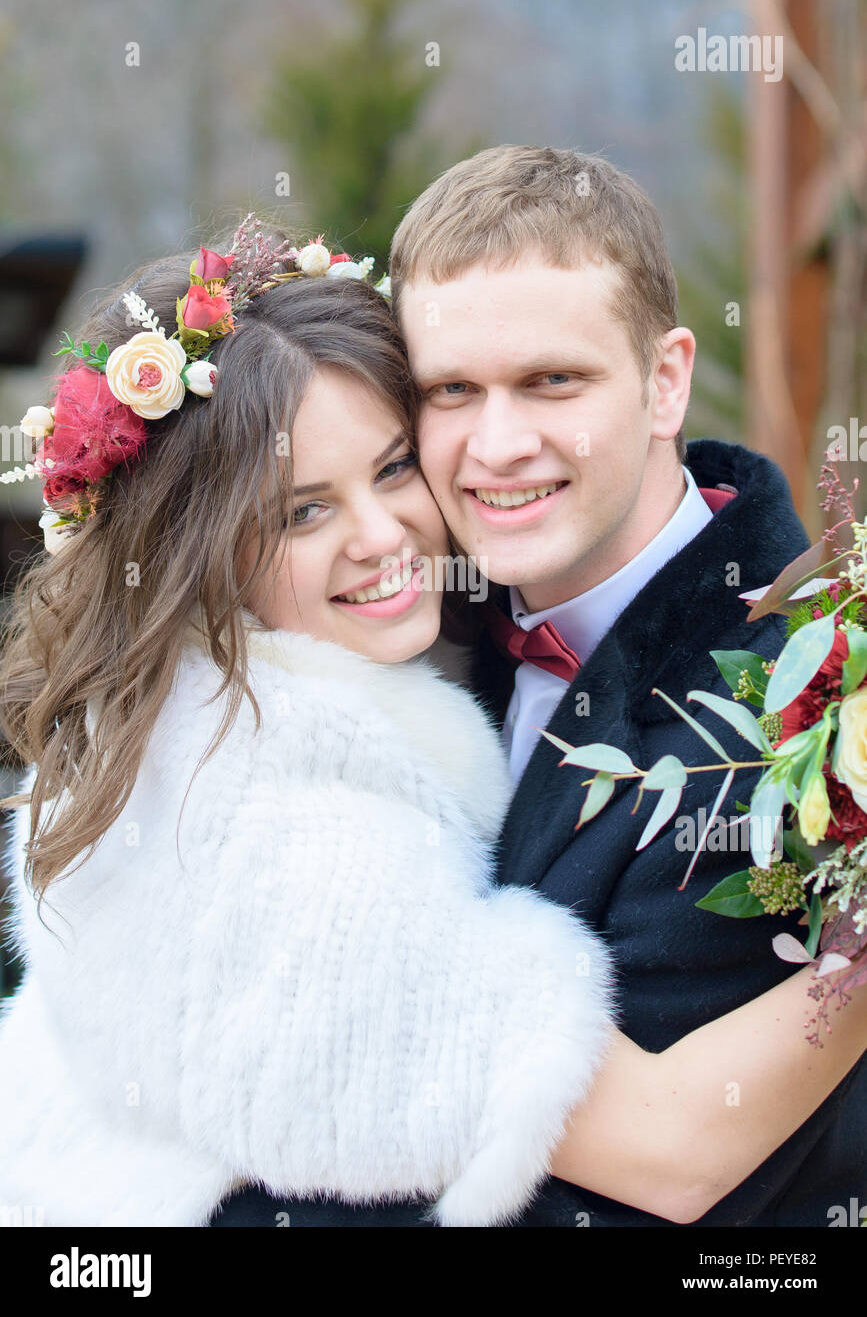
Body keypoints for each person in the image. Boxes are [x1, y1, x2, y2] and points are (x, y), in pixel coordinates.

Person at [0, 221, 862, 1232]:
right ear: (197, 554)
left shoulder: (224, 706)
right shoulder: (279, 835)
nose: (383, 537)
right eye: (301, 514)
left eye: (396, 466)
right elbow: (673, 1152)